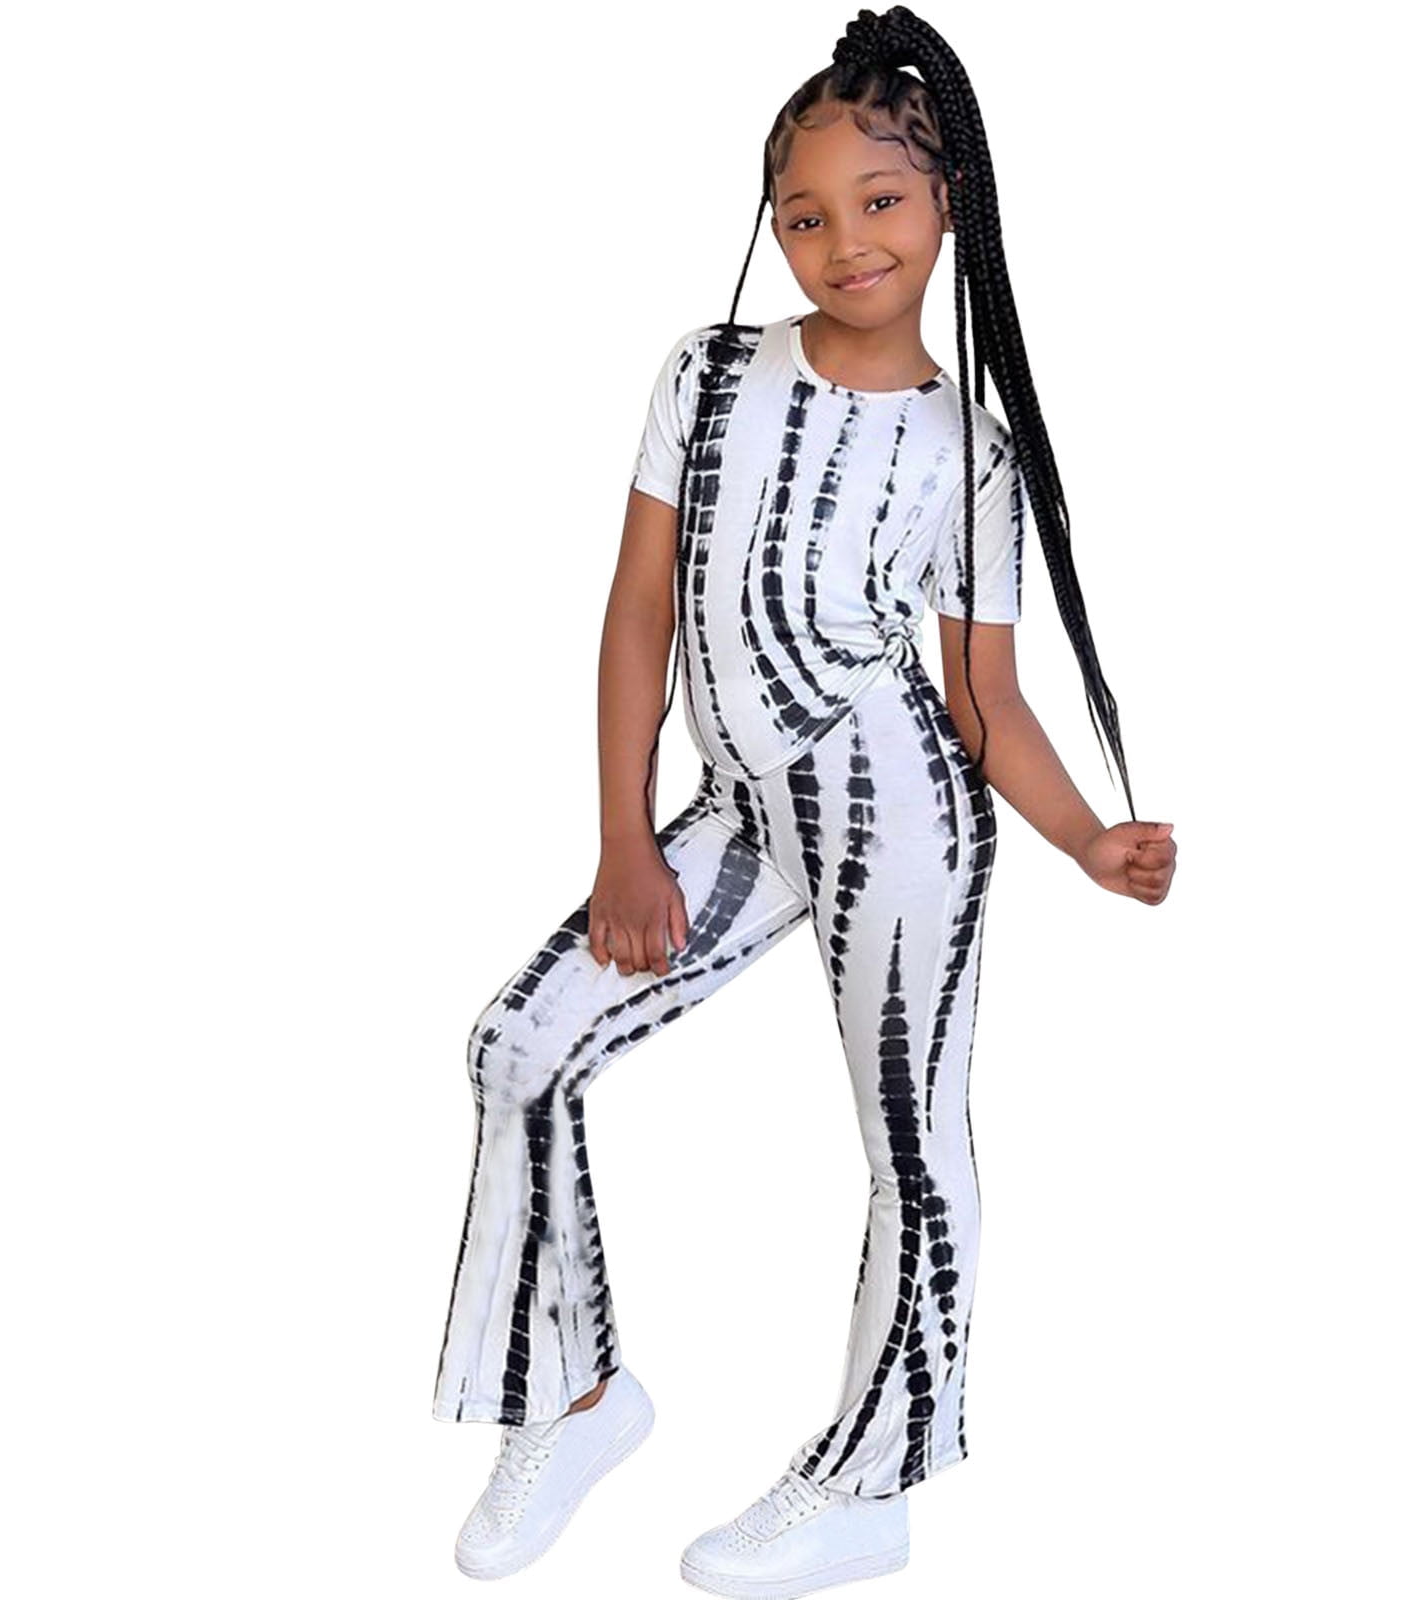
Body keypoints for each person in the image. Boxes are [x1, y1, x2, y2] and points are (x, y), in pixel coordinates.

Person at [431, 6, 1178, 1593]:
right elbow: (641, 610)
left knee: (912, 1143)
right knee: (520, 1049)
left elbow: (983, 700)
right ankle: (578, 1394)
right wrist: (625, 839)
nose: (847, 243)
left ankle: (870, 1481)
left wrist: (1085, 838)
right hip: (740, 814)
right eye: (807, 215)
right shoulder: (706, 377)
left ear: (950, 202)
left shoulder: (968, 454)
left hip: (902, 819)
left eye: (882, 202)